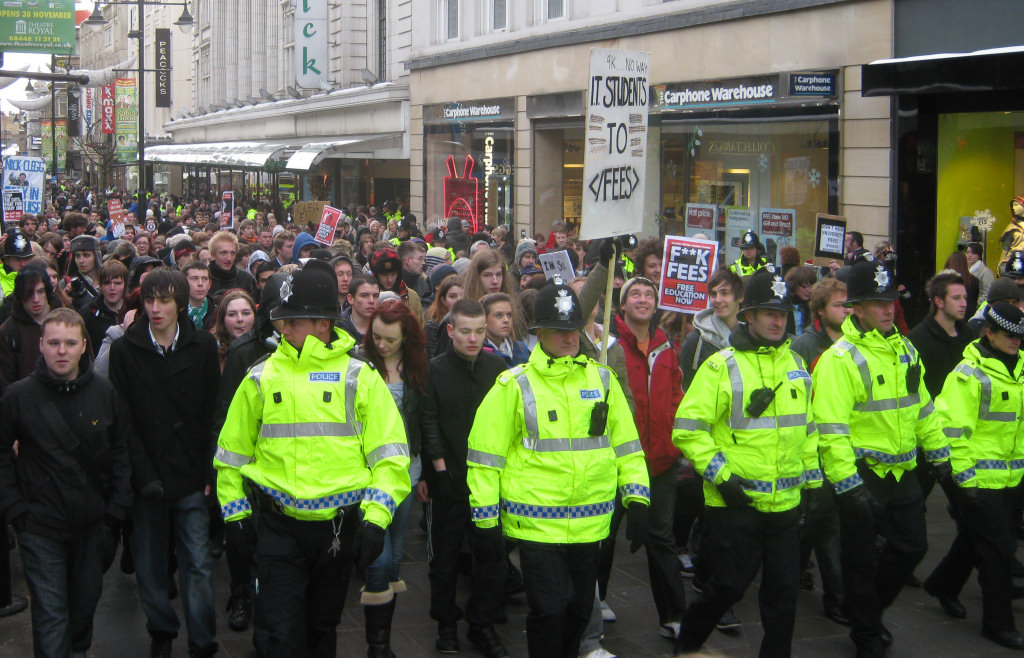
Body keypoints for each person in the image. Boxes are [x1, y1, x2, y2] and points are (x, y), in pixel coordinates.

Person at [214, 259, 411, 657]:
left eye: (294, 322)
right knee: (280, 632)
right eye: (282, 321)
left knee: (323, 628)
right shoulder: (260, 376)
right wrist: (235, 516)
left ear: (323, 323)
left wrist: (375, 520)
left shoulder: (360, 377)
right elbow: (230, 453)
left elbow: (391, 457)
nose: (283, 329)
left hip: (337, 532)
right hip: (277, 528)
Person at [466, 278, 651, 658]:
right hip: (536, 524)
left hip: (592, 522)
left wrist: (638, 498)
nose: (569, 339)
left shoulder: (602, 381)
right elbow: (485, 457)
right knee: (549, 611)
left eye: (574, 330)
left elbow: (628, 447)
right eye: (559, 332)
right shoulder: (513, 385)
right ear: (540, 334)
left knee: (580, 611)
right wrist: (485, 521)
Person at [671, 265, 821, 656]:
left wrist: (814, 485)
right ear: (748, 316)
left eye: (783, 313)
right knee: (728, 587)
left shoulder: (796, 367)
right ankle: (688, 644)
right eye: (769, 313)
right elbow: (688, 429)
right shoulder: (721, 366)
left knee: (783, 593)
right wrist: (721, 477)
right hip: (735, 504)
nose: (777, 321)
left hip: (785, 505)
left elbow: (807, 429)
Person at [813, 259, 951, 658]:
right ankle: (867, 635)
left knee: (912, 548)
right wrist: (847, 484)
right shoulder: (841, 359)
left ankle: (865, 610)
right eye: (878, 302)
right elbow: (831, 428)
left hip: (902, 471)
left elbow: (922, 406)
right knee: (857, 561)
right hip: (860, 474)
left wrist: (940, 455)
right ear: (857, 308)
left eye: (891, 300)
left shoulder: (904, 349)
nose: (889, 308)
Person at [0, 308, 133, 657]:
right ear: (41, 345)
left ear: (83, 346)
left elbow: (121, 452)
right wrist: (16, 510)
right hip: (40, 525)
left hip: (91, 524)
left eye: (70, 343)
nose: (62, 350)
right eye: (55, 343)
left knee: (82, 612)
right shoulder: (18, 397)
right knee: (50, 617)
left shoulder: (104, 393)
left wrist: (114, 513)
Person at [107, 267, 221, 658]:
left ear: (179, 303)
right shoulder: (125, 349)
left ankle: (203, 640)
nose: (156, 309)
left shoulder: (202, 346)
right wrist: (141, 474)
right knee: (151, 567)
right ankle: (161, 629)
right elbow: (122, 418)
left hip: (190, 473)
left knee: (198, 564)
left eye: (165, 301)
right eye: (150, 300)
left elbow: (212, 413)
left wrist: (209, 470)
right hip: (147, 476)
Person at [925, 302, 1024, 650]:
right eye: (1009, 334)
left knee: (976, 539)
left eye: (1020, 335)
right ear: (989, 333)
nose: (1016, 340)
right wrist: (965, 482)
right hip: (979, 480)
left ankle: (942, 584)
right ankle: (998, 625)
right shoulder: (969, 375)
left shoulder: (1021, 369)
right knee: (998, 552)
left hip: (1012, 478)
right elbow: (952, 432)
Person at [422, 298, 509, 657]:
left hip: (489, 481)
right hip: (450, 477)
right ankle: (445, 624)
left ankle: (482, 624)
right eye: (466, 332)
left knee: (490, 557)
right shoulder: (435, 369)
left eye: (479, 332)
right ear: (451, 331)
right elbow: (429, 422)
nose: (472, 339)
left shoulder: (497, 367)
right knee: (444, 558)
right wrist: (439, 470)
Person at [606, 276, 688, 640]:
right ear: (622, 305)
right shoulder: (609, 347)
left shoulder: (666, 347)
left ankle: (674, 615)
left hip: (659, 462)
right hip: (619, 461)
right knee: (603, 535)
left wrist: (675, 443)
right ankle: (594, 605)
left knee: (661, 537)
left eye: (649, 294)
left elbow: (675, 396)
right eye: (634, 294)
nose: (642, 299)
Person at [358, 299, 428, 657]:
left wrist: (425, 472)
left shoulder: (416, 367)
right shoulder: (360, 365)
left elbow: (425, 419)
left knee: (396, 556)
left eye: (390, 339)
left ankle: (382, 637)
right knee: (380, 558)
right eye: (377, 337)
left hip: (409, 469)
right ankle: (378, 645)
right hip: (369, 473)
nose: (382, 345)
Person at [679, 269, 743, 391]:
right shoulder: (696, 341)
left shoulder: (751, 336)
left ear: (740, 297)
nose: (717, 300)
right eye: (713, 294)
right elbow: (687, 389)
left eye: (724, 293)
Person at [0, 265, 61, 392]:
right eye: (29, 293)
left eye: (40, 291)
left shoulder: (68, 321)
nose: (35, 299)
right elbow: (5, 385)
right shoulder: (8, 331)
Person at [791, 277, 850, 371]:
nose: (847, 310)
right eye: (838, 305)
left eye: (848, 304)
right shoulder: (803, 346)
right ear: (820, 309)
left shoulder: (860, 340)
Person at [82, 260, 129, 350]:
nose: (112, 288)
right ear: (100, 285)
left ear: (125, 285)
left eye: (117, 283)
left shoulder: (133, 310)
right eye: (107, 283)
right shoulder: (88, 313)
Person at [207, 231, 258, 303]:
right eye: (223, 253)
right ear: (213, 255)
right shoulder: (203, 278)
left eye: (232, 253)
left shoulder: (246, 279)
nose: (229, 258)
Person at [481, 292, 529, 367]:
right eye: (498, 315)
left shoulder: (522, 349)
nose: (506, 320)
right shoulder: (479, 353)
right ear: (484, 319)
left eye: (509, 315)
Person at [212, 289, 256, 369]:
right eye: (232, 314)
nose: (240, 319)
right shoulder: (211, 352)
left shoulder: (266, 350)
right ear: (222, 319)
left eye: (246, 313)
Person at [424, 273, 463, 359]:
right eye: (453, 296)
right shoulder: (433, 325)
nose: (459, 300)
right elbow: (434, 359)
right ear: (443, 300)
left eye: (463, 295)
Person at [340, 275, 380, 343]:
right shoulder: (337, 328)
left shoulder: (384, 327)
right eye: (364, 295)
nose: (371, 301)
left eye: (376, 296)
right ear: (351, 299)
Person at [68, 235, 103, 309]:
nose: (81, 261)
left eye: (86, 255)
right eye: (77, 256)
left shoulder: (107, 281)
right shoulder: (68, 285)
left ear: (96, 256)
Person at [0, 227, 36, 298]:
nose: (22, 263)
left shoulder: (37, 278)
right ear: (7, 260)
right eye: (17, 259)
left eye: (26, 259)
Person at [182, 261, 216, 331]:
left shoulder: (217, 314)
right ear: (183, 282)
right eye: (194, 278)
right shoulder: (176, 313)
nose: (200, 283)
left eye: (204, 279)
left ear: (209, 284)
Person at [784, 266, 816, 336]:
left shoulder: (812, 307)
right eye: (804, 287)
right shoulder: (784, 306)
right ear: (793, 286)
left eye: (811, 286)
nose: (809, 290)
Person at [999, 195, 1024, 272]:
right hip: (1014, 262)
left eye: (1016, 205)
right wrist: (1001, 266)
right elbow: (1005, 248)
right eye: (1012, 205)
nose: (1013, 208)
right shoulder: (1012, 227)